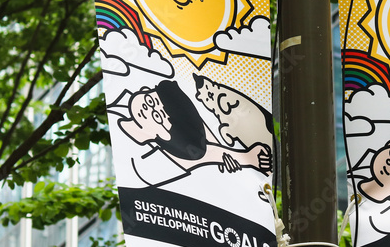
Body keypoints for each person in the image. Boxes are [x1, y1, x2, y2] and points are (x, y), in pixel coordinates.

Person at [111, 79, 271, 187]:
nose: (152, 109)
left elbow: (207, 148)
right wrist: (248, 159)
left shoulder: (187, 128)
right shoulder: (150, 165)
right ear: (141, 132)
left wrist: (246, 160)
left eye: (151, 102)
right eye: (143, 111)